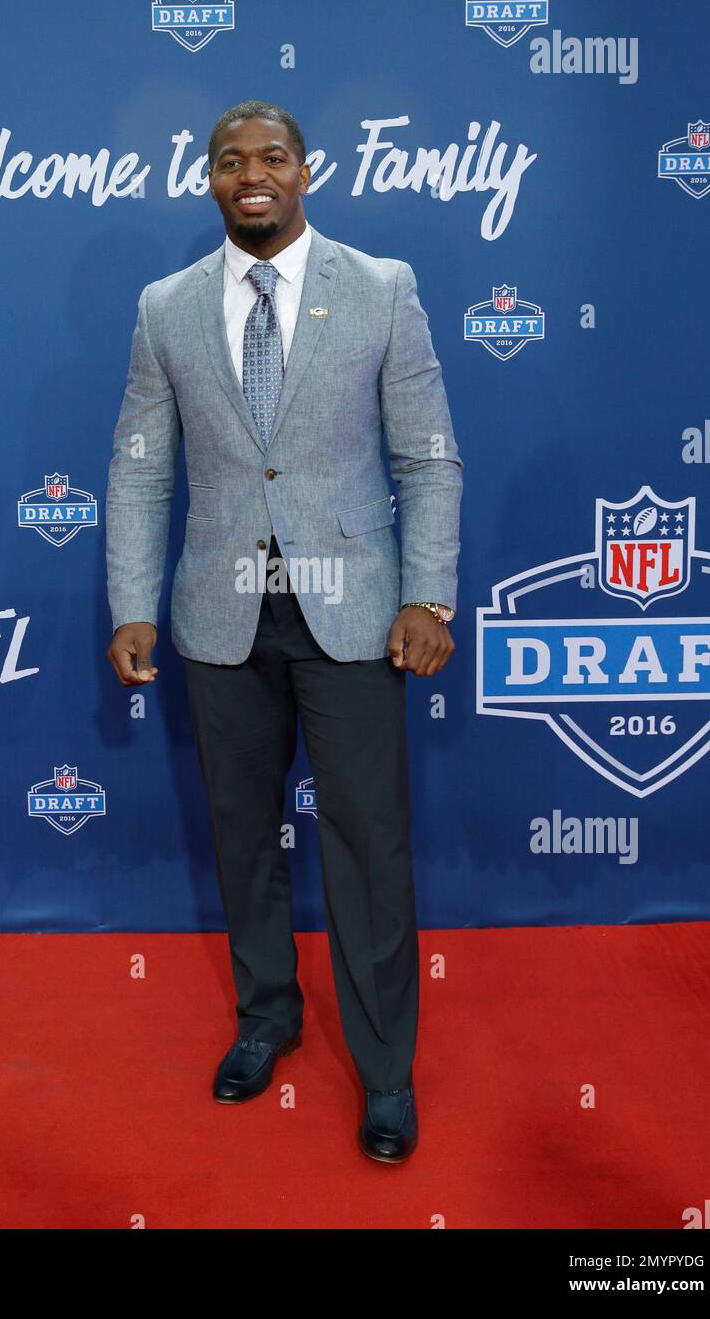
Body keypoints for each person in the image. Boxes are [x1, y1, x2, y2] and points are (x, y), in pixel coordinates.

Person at [105, 99, 462, 1163]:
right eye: (227, 161)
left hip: (352, 612)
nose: (249, 174)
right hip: (221, 617)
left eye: (270, 157)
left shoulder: (382, 288)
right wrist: (130, 601)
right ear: (208, 179)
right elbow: (138, 469)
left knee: (365, 845)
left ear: (307, 170)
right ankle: (266, 1017)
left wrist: (429, 597)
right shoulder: (165, 306)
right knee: (241, 835)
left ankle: (385, 1071)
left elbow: (428, 455)